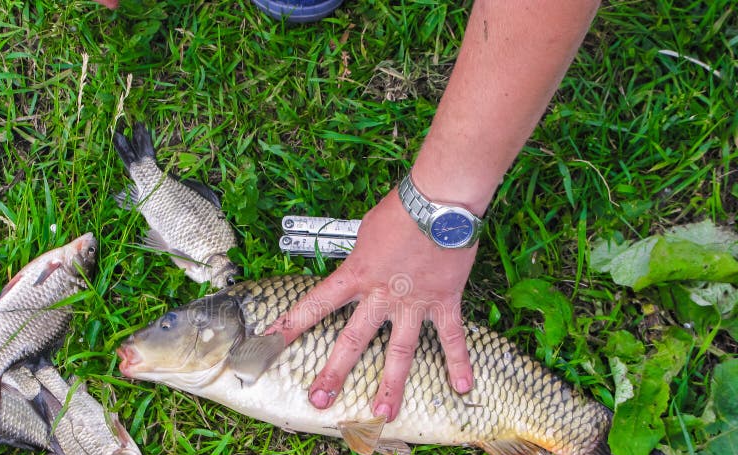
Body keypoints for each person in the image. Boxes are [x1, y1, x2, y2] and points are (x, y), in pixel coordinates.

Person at [93, 0, 600, 422]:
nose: (159, 329)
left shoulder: (240, 350)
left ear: (209, 328)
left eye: (170, 322)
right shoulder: (234, 349)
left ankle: (574, 428)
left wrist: (441, 206)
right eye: (167, 324)